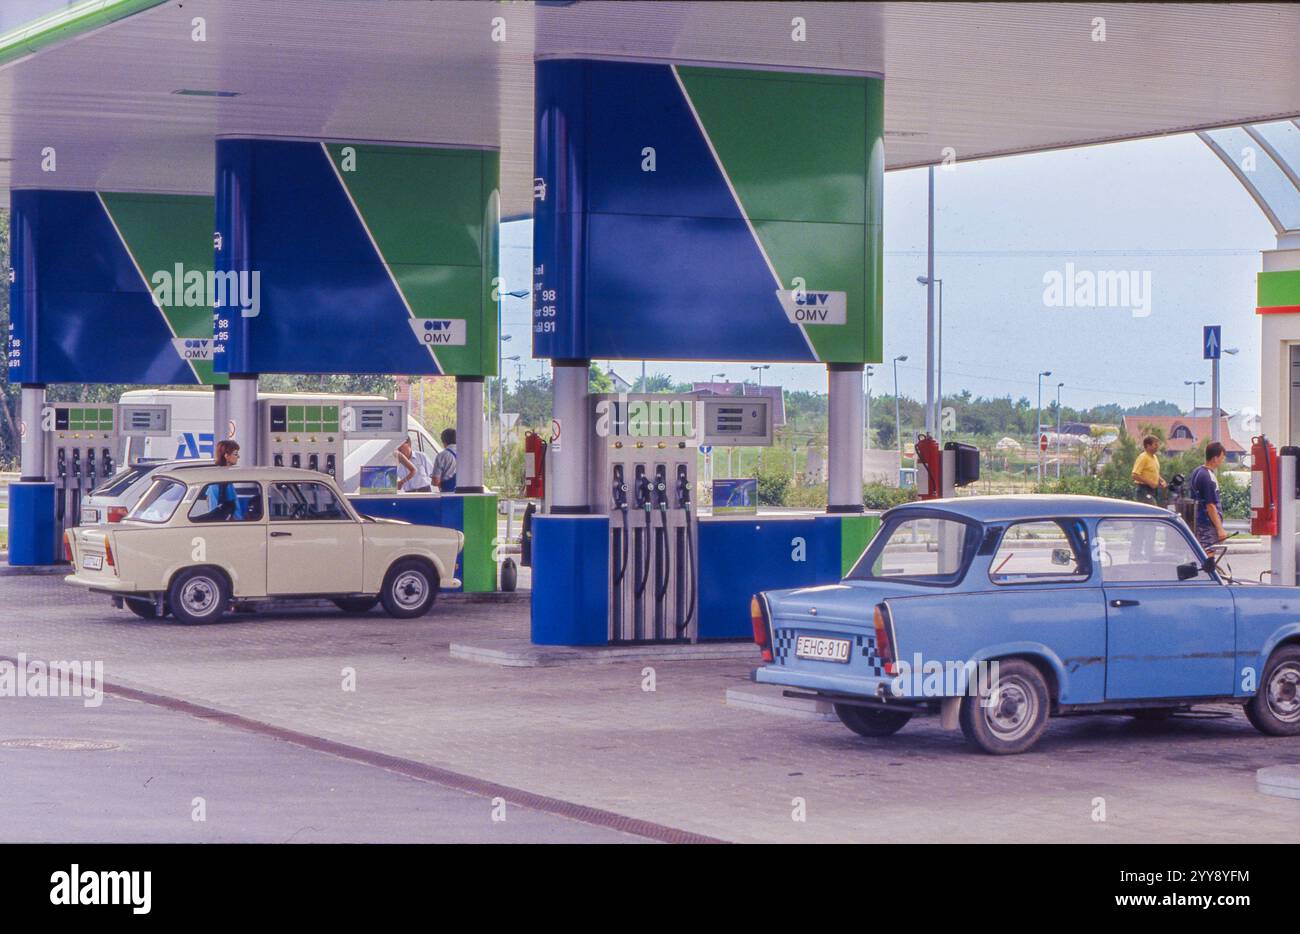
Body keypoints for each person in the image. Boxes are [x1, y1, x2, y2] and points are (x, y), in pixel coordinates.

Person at [1189, 441, 1229, 550]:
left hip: (1199, 522)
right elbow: (1210, 505)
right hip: (1207, 525)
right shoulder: (1208, 477)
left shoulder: (1197, 471)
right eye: (1222, 457)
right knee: (1208, 555)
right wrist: (1220, 529)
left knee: (1201, 554)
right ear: (1215, 458)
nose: (1222, 461)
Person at [1130, 435, 1166, 504]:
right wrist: (1150, 482)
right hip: (1144, 490)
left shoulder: (1154, 457)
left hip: (1153, 490)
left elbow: (1154, 473)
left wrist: (1161, 480)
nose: (1157, 447)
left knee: (1154, 508)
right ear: (1148, 446)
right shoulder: (1143, 457)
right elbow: (1134, 475)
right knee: (1152, 508)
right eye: (1155, 445)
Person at [431, 428, 458, 493]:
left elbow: (436, 481)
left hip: (447, 494)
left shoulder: (442, 455)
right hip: (464, 494)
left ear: (443, 441)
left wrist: (433, 480)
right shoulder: (466, 454)